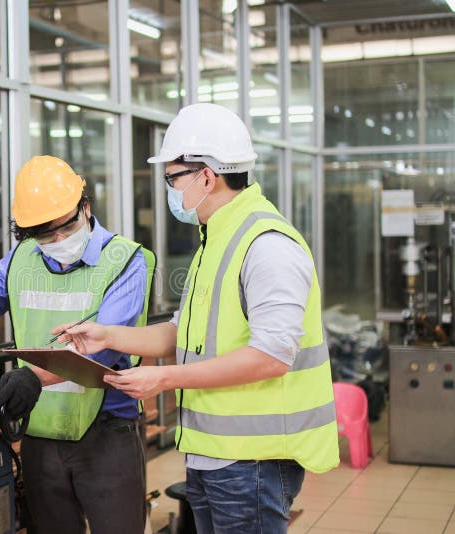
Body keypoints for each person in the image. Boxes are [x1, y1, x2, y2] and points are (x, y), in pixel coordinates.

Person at [54, 104, 340, 534]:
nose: (169, 189)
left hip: (253, 460)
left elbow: (272, 356)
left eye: (173, 178)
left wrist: (165, 380)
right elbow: (183, 334)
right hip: (212, 453)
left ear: (207, 176)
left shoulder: (266, 245)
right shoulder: (216, 240)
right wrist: (107, 335)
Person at [0, 155, 155, 534]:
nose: (57, 240)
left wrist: (33, 378)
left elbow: (103, 347)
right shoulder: (22, 259)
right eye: (44, 233)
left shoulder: (125, 261)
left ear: (85, 208)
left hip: (108, 432)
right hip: (41, 432)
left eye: (66, 227)